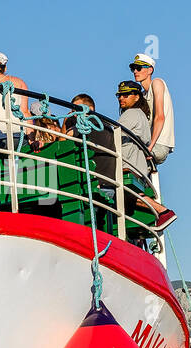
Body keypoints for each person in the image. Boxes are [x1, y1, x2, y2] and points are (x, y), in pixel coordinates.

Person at [115, 79, 175, 229]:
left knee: (119, 192)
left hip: (130, 164)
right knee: (127, 197)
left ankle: (163, 212)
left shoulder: (132, 113)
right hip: (138, 167)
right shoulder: (141, 115)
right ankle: (162, 213)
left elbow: (113, 133)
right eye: (119, 96)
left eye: (126, 95)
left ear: (136, 96)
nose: (121, 98)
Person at [64, 94, 117, 190]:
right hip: (108, 183)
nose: (74, 114)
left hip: (96, 186)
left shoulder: (88, 123)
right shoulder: (105, 125)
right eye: (73, 111)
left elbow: (64, 139)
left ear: (90, 109)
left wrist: (65, 121)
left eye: (77, 109)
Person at [130, 53, 175, 166]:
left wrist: (149, 147)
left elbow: (160, 117)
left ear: (150, 70)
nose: (135, 71)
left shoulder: (157, 83)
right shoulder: (143, 95)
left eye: (139, 68)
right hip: (150, 144)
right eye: (133, 68)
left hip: (158, 145)